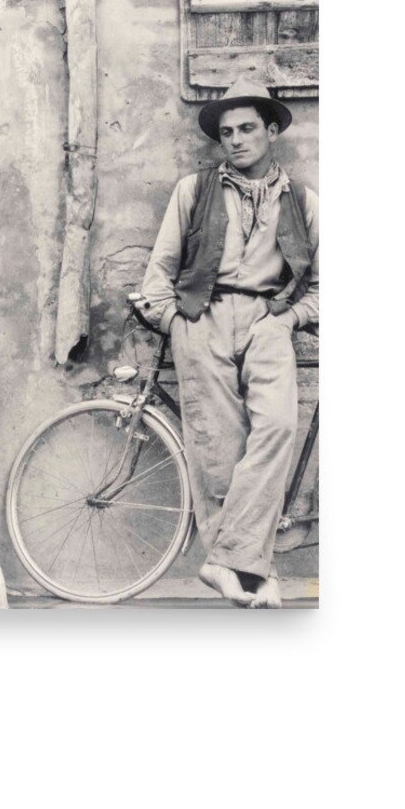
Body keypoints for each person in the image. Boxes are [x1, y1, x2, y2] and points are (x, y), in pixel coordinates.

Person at [137, 76, 319, 609]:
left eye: (246, 129)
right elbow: (160, 272)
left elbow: (330, 283)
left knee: (279, 426)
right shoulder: (193, 190)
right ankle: (256, 575)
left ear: (271, 131)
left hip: (270, 318)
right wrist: (176, 323)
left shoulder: (304, 200)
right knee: (218, 443)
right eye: (226, 133)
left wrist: (289, 320)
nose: (236, 140)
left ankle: (226, 562)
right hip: (204, 316)